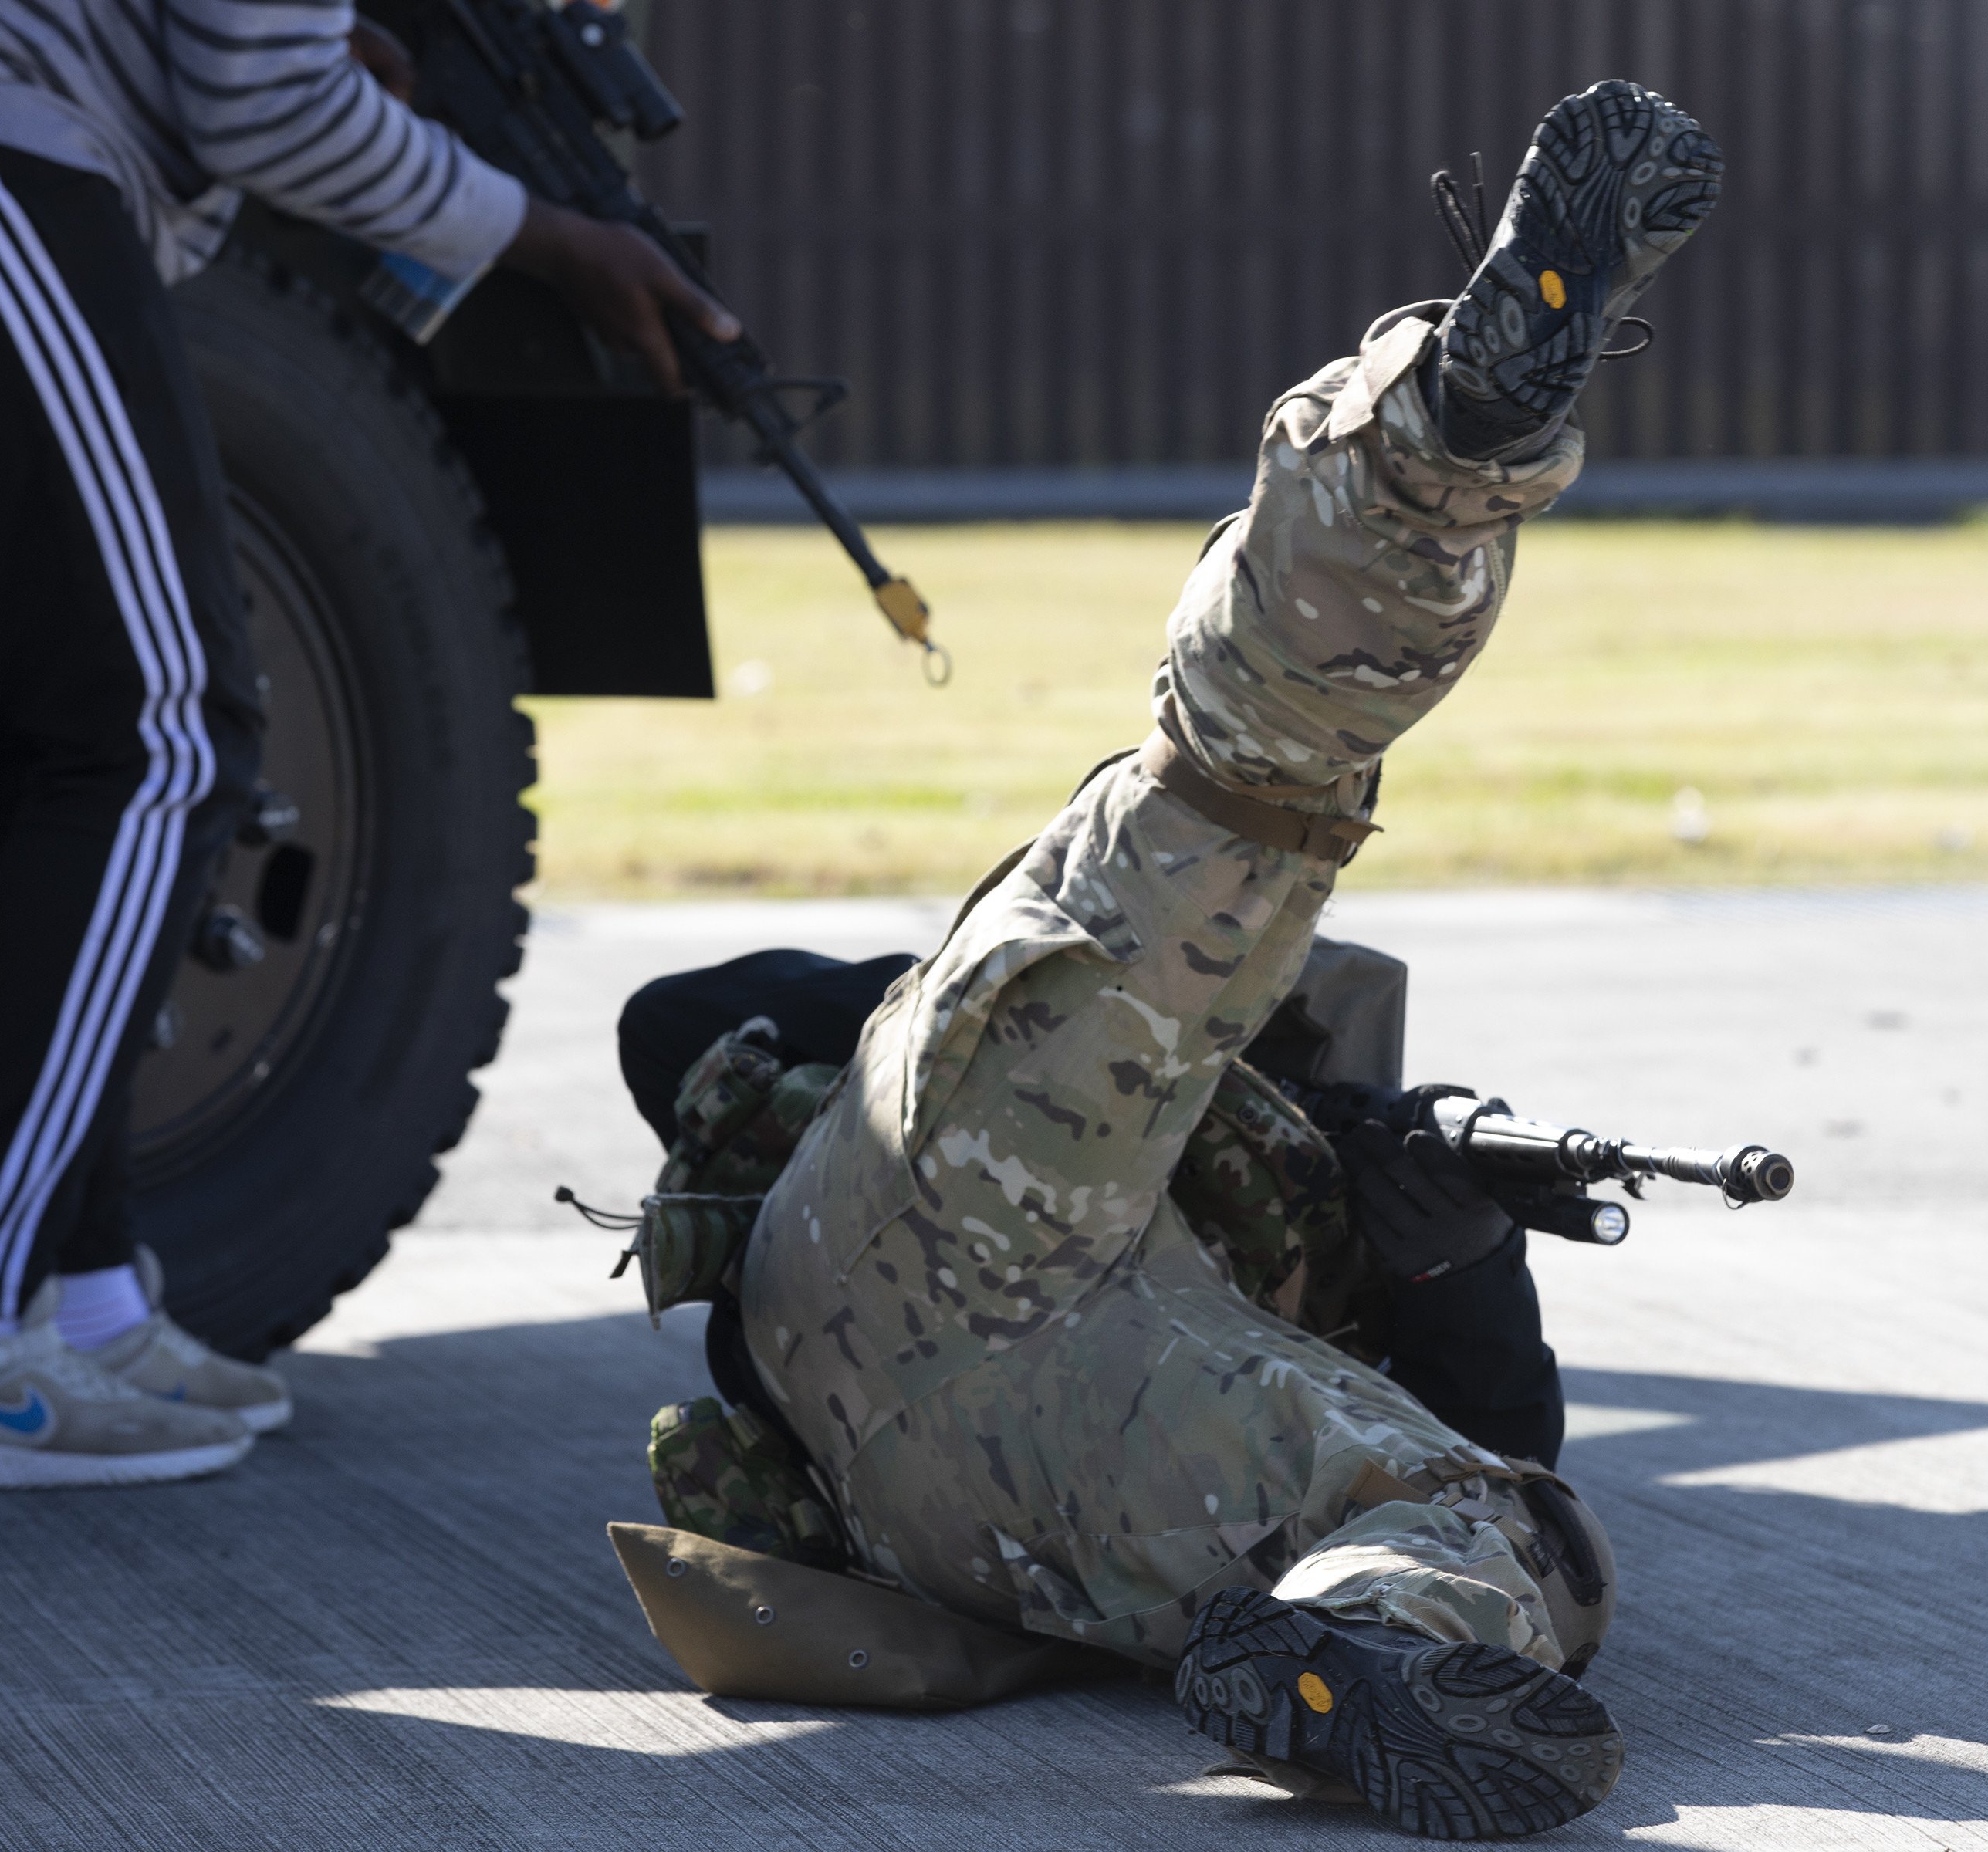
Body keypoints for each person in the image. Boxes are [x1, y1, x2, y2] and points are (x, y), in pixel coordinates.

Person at [732, 82, 1723, 1840]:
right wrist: (1440, 1283)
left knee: (1228, 784)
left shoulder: (992, 1051)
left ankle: (1448, 425)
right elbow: (1511, 1455)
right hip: (1010, 1489)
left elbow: (686, 1021)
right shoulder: (1207, 1205)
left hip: (860, 1318)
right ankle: (1352, 1645)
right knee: (1505, 1532)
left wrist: (1448, 1259)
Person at [0, 0, 737, 1490]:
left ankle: (86, 1297)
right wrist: (552, 239)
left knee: (82, 724)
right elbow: (263, 103)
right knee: (159, 733)